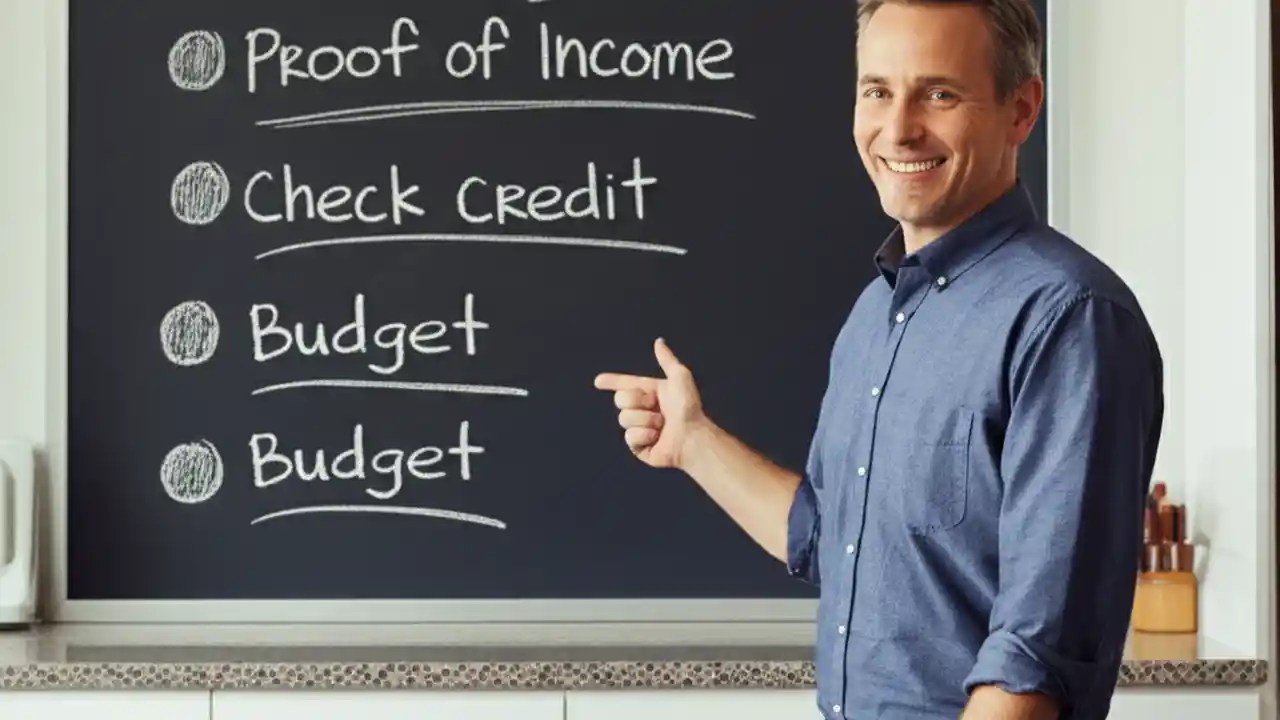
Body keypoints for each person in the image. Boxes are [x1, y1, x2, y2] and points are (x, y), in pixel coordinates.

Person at [594, 0, 1164, 718]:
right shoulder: (877, 314)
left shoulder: (1069, 319)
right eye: (877, 91)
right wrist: (697, 443)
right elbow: (832, 539)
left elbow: (1036, 659)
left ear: (1022, 111)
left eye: (939, 93)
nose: (898, 129)